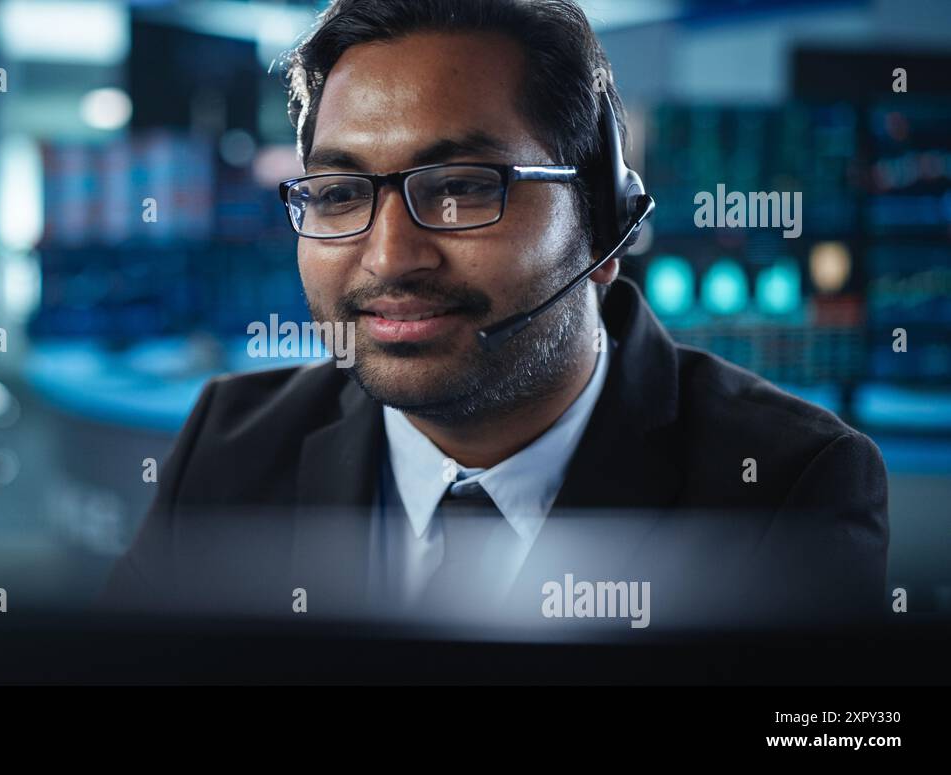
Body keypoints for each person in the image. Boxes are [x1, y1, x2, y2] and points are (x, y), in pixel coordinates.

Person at [102, 0, 887, 623]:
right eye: (340, 194)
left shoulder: (791, 485)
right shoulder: (229, 447)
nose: (388, 257)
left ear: (604, 228)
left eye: (462, 186)